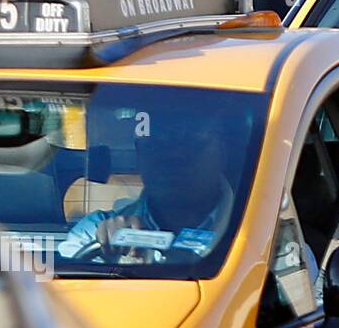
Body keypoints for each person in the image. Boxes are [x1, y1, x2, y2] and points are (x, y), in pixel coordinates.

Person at [60, 108, 234, 262]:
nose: (172, 158)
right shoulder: (94, 233)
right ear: (139, 154)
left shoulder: (254, 234)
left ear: (223, 153)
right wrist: (107, 255)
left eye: (191, 144)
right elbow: (63, 289)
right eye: (156, 146)